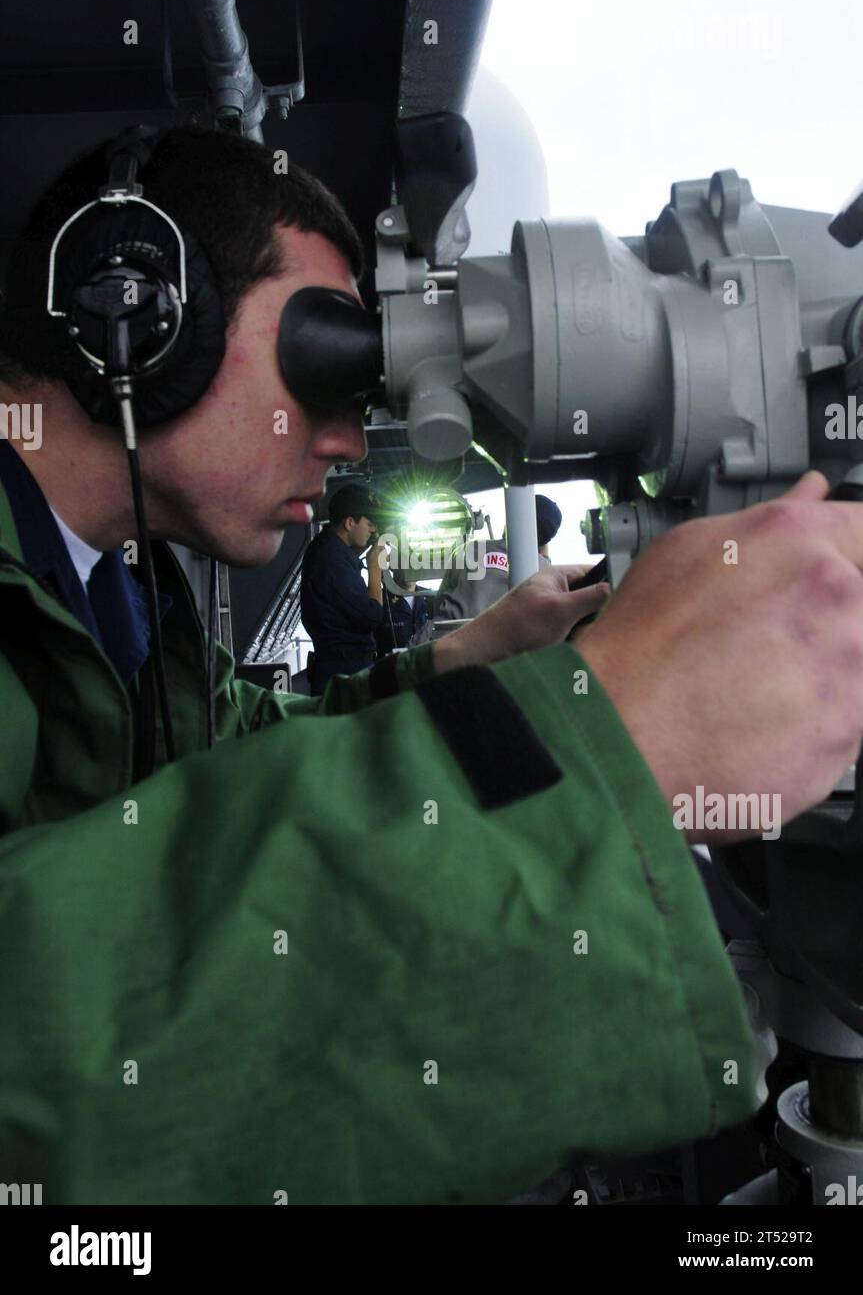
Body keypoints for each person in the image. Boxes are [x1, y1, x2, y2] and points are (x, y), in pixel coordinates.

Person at [1, 126, 862, 1207]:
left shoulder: (129, 594)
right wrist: (605, 749)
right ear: (133, 318)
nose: (347, 439)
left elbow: (227, 774)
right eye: (323, 356)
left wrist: (466, 662)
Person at [300, 483, 385, 693]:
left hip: (343, 668)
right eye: (369, 523)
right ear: (349, 523)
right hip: (344, 673)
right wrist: (375, 569)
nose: (373, 530)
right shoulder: (331, 559)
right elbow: (372, 616)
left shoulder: (329, 551)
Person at [435, 492, 563, 621]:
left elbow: (437, 603)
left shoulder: (469, 549)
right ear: (545, 541)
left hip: (446, 636)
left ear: (511, 518)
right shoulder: (545, 572)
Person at [376, 570, 432, 655]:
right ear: (392, 567)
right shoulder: (380, 599)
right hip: (391, 666)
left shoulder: (431, 597)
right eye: (403, 563)